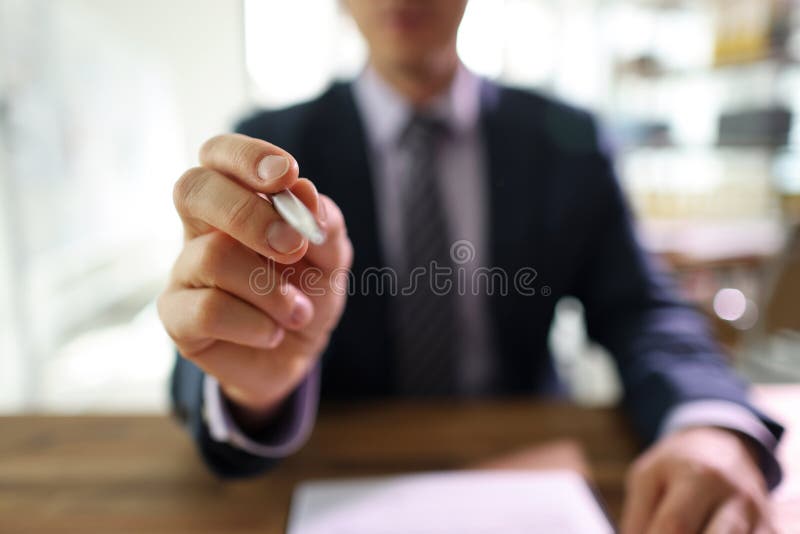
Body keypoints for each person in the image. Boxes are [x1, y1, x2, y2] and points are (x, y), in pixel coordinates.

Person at [158, 1, 784, 532]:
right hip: (331, 474)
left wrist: (706, 421)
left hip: (536, 474)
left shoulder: (565, 137)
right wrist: (251, 388)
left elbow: (641, 309)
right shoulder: (275, 143)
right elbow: (210, 339)